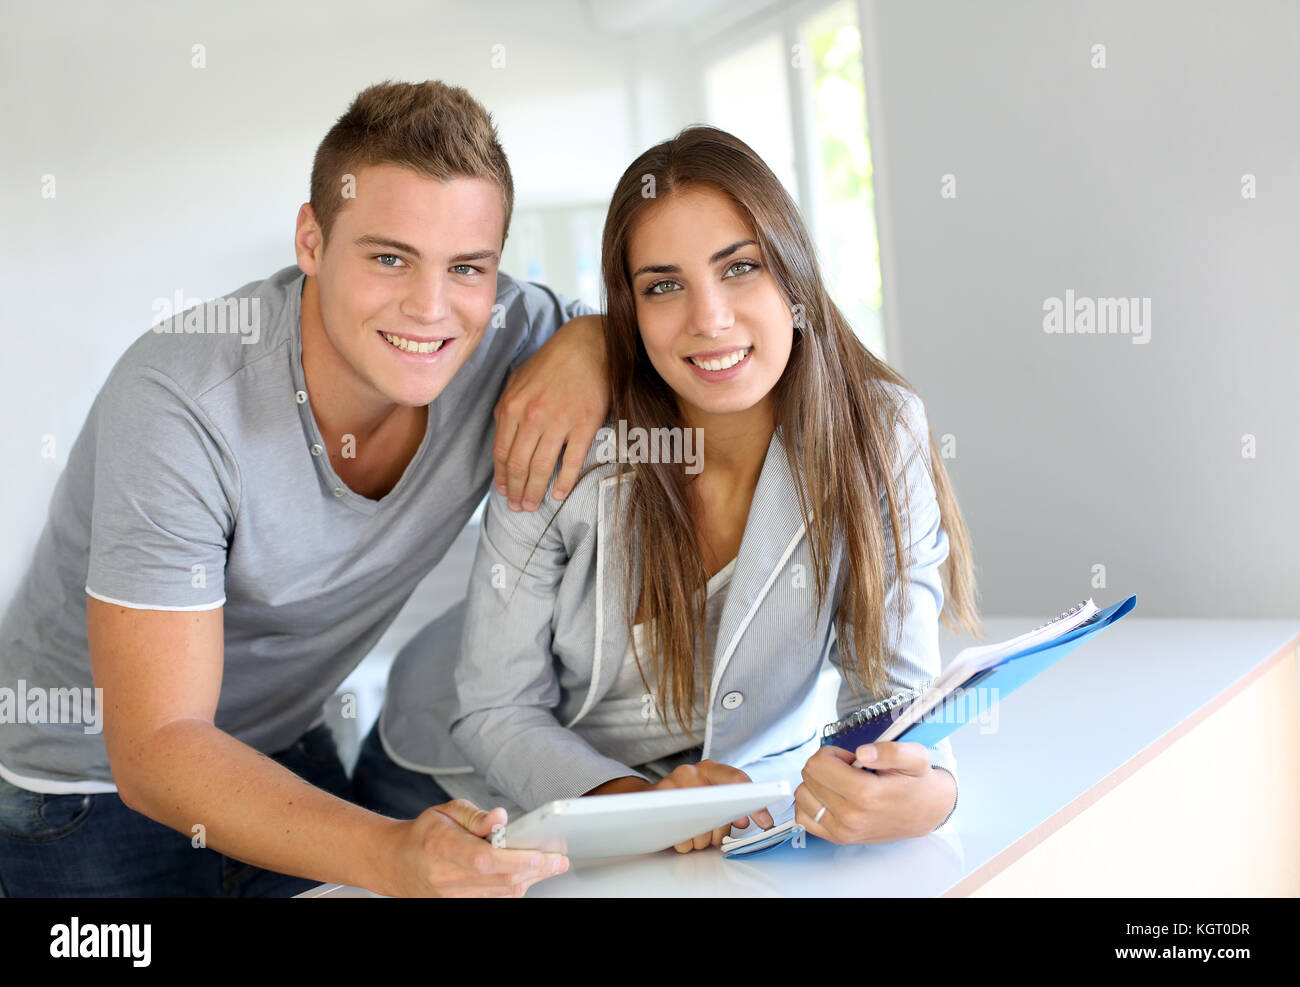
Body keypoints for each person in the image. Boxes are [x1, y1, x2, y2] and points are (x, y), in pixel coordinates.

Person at [0, 80, 610, 897]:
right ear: (312, 242)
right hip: (85, 789)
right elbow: (155, 748)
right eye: (389, 256)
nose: (431, 308)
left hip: (280, 748)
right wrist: (395, 854)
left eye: (466, 266)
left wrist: (596, 341)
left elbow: (656, 329)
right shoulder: (180, 399)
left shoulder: (512, 335)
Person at [355, 125, 981, 853]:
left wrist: (932, 790)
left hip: (690, 806)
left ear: (795, 274)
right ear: (631, 311)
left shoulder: (880, 432)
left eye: (740, 268)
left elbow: (895, 707)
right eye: (664, 285)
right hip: (450, 781)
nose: (709, 318)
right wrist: (637, 806)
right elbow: (497, 709)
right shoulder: (566, 435)